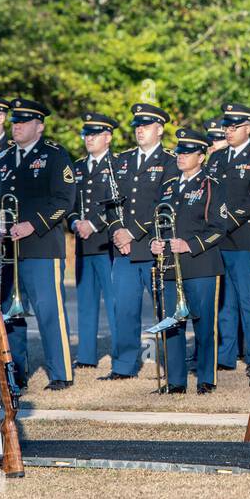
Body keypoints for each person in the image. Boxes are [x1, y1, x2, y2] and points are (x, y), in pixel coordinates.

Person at [0, 99, 76, 390]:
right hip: (8, 250)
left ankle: (61, 373)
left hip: (41, 247)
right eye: (15, 121)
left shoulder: (55, 155)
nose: (16, 126)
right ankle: (15, 371)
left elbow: (65, 201)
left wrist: (33, 224)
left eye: (24, 122)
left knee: (48, 311)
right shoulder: (3, 158)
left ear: (39, 126)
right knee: (10, 313)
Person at [101, 103, 179, 381]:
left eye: (146, 126)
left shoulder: (171, 161)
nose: (140, 131)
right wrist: (117, 232)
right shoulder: (121, 160)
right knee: (124, 309)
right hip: (124, 251)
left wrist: (131, 232)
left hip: (152, 248)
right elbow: (109, 201)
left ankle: (172, 367)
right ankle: (123, 366)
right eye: (137, 126)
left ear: (159, 129)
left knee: (164, 309)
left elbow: (165, 204)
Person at [150, 129, 229, 393]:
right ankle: (175, 382)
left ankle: (206, 379)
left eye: (187, 152)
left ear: (201, 156)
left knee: (204, 324)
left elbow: (220, 226)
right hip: (171, 266)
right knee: (173, 324)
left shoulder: (211, 186)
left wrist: (191, 245)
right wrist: (155, 241)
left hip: (201, 265)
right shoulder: (169, 186)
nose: (181, 156)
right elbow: (158, 223)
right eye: (179, 151)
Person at [207, 102, 250, 373]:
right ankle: (226, 353)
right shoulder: (217, 158)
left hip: (243, 238)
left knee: (248, 298)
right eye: (226, 127)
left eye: (234, 127)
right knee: (225, 300)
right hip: (219, 240)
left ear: (248, 127)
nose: (228, 132)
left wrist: (227, 222)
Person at [68, 112, 121, 371]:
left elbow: (119, 204)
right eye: (86, 134)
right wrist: (74, 223)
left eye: (94, 134)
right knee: (85, 302)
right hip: (83, 244)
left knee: (114, 302)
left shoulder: (118, 165)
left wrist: (94, 224)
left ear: (108, 137)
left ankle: (120, 354)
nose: (88, 138)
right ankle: (86, 355)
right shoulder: (77, 167)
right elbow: (69, 204)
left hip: (107, 244)